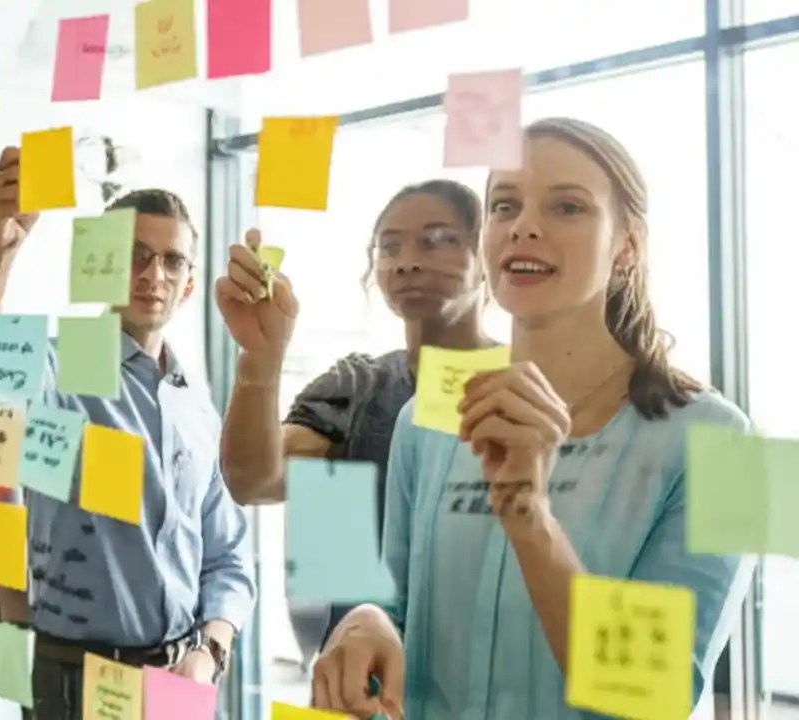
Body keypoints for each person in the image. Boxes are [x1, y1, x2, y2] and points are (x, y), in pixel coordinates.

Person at [306, 117, 753, 719]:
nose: (525, 227)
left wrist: (529, 515)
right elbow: (397, 603)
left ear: (629, 244)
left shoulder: (736, 449)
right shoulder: (425, 417)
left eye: (567, 207)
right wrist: (366, 619)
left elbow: (662, 696)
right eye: (504, 206)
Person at [0, 148, 256, 719]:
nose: (152, 274)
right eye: (133, 255)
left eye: (171, 261)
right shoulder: (54, 366)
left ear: (187, 286)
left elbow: (228, 555)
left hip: (182, 681)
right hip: (74, 683)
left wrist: (210, 650)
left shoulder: (198, 407)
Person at [215, 181, 496, 666]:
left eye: (438, 239)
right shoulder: (361, 385)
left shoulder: (527, 384)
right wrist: (261, 358)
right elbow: (254, 479)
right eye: (389, 247)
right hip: (363, 677)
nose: (407, 261)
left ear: (486, 254)